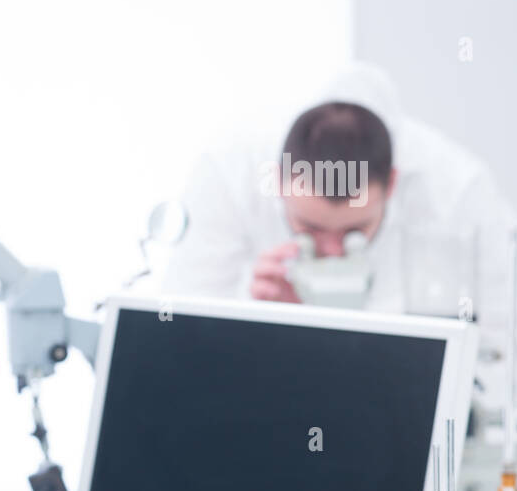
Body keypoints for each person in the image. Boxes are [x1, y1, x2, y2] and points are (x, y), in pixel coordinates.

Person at [163, 63, 515, 353]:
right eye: (310, 229)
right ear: (278, 180)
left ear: (392, 184)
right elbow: (180, 334)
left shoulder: (457, 193)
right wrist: (256, 317)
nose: (332, 252)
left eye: (353, 232)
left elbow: (500, 349)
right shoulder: (228, 174)